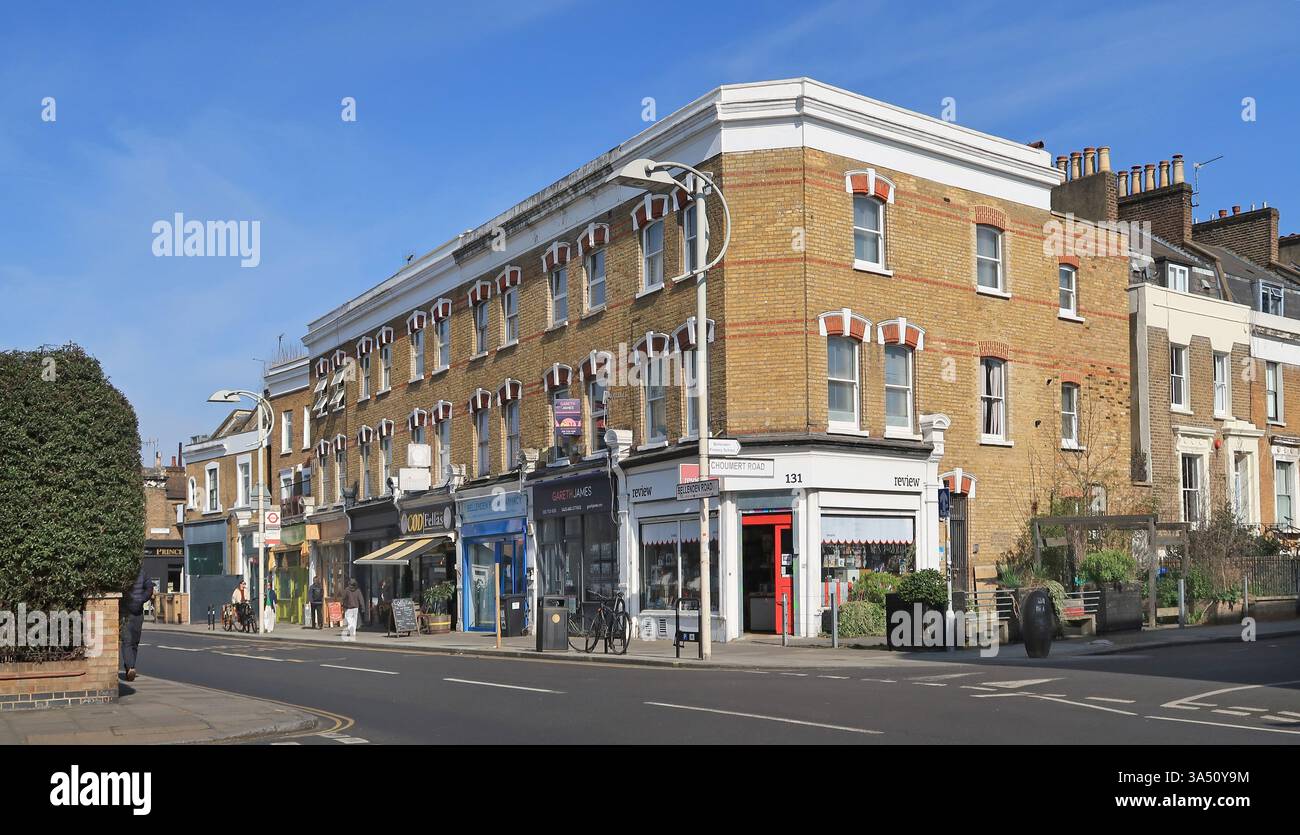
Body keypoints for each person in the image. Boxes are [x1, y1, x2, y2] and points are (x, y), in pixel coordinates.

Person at [121, 565, 155, 682]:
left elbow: (149, 587)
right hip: (125, 612)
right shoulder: (122, 571)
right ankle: (131, 667)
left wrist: (142, 599)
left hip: (138, 613)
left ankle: (130, 668)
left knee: (135, 641)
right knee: (127, 640)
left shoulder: (142, 572)